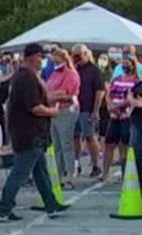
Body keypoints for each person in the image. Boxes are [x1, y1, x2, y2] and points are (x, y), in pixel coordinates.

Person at [0, 43, 65, 223]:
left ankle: (51, 204)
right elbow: (35, 107)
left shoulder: (22, 76)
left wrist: (57, 98)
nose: (42, 61)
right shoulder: (27, 79)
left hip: (28, 133)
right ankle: (4, 207)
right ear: (32, 57)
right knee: (20, 172)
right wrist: (53, 112)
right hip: (30, 133)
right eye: (41, 57)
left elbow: (40, 98)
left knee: (41, 171)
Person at [44, 47, 81, 185]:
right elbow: (48, 90)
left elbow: (64, 93)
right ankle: (58, 174)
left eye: (57, 61)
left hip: (67, 110)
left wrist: (50, 97)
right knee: (57, 145)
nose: (55, 63)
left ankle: (70, 175)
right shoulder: (54, 74)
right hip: (54, 110)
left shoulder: (71, 74)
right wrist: (50, 96)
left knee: (66, 143)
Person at [75, 46, 107, 180]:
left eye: (79, 55)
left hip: (87, 107)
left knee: (90, 136)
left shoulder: (94, 71)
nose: (77, 58)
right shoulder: (74, 70)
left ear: (86, 54)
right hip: (75, 108)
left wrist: (95, 110)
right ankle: (76, 164)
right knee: (74, 136)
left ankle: (96, 165)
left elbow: (100, 91)